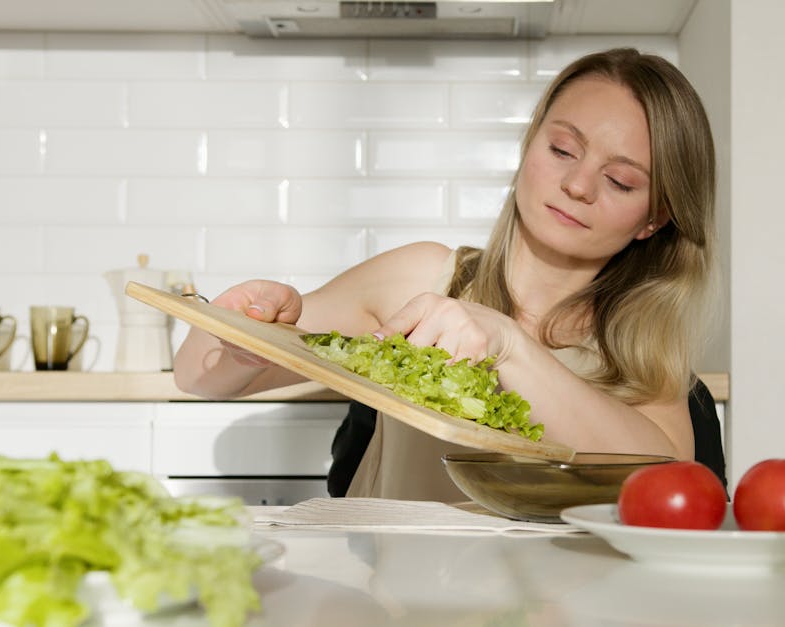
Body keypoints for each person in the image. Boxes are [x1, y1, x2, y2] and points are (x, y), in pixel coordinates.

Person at [174, 47, 719, 502]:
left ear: (655, 218)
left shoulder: (642, 352)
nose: (578, 185)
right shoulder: (423, 277)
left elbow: (667, 478)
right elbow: (197, 375)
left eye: (620, 181)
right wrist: (244, 336)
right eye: (561, 150)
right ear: (530, 143)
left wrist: (509, 346)